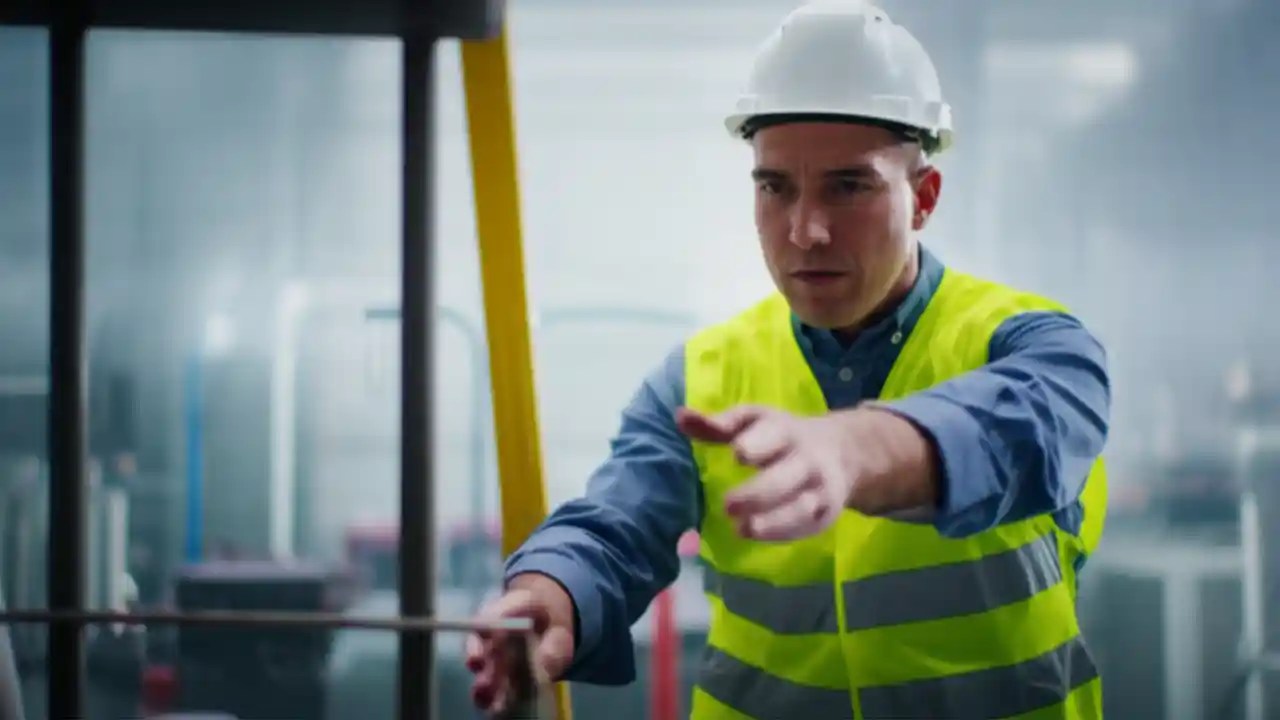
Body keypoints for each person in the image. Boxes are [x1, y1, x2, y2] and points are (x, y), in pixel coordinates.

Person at [466, 2, 1110, 718]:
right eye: (775, 187)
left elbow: (1017, 431)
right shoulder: (699, 379)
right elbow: (611, 531)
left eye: (848, 186)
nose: (805, 231)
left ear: (923, 197)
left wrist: (853, 448)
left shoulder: (1038, 347)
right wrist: (546, 594)